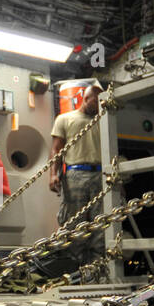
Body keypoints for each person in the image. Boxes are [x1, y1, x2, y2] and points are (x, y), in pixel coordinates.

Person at [48, 81, 105, 273]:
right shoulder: (65, 119)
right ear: (86, 99)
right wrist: (52, 175)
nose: (99, 106)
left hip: (100, 174)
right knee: (74, 224)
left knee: (102, 224)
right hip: (75, 175)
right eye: (96, 102)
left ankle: (98, 271)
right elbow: (56, 150)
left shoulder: (103, 120)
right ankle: (73, 272)